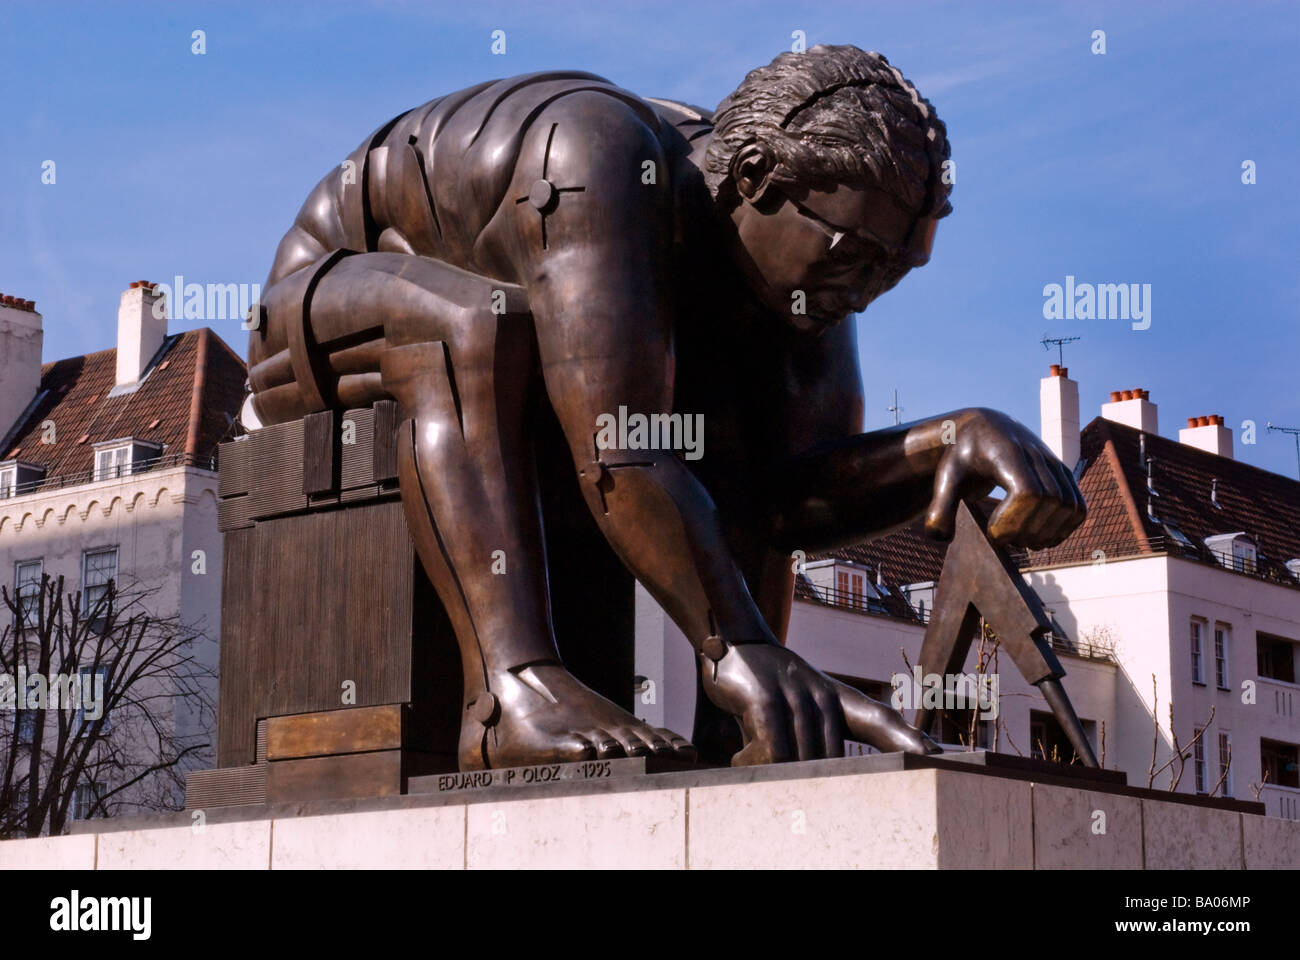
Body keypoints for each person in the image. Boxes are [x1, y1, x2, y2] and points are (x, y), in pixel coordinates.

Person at [247, 45, 1085, 770]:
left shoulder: (812, 269)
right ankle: (509, 696)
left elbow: (786, 498)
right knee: (478, 326)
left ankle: (733, 728)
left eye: (892, 272)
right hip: (317, 303)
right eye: (852, 258)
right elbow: (620, 447)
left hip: (522, 339)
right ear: (754, 180)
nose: (861, 294)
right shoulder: (595, 154)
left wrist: (945, 443)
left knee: (689, 395)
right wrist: (741, 646)